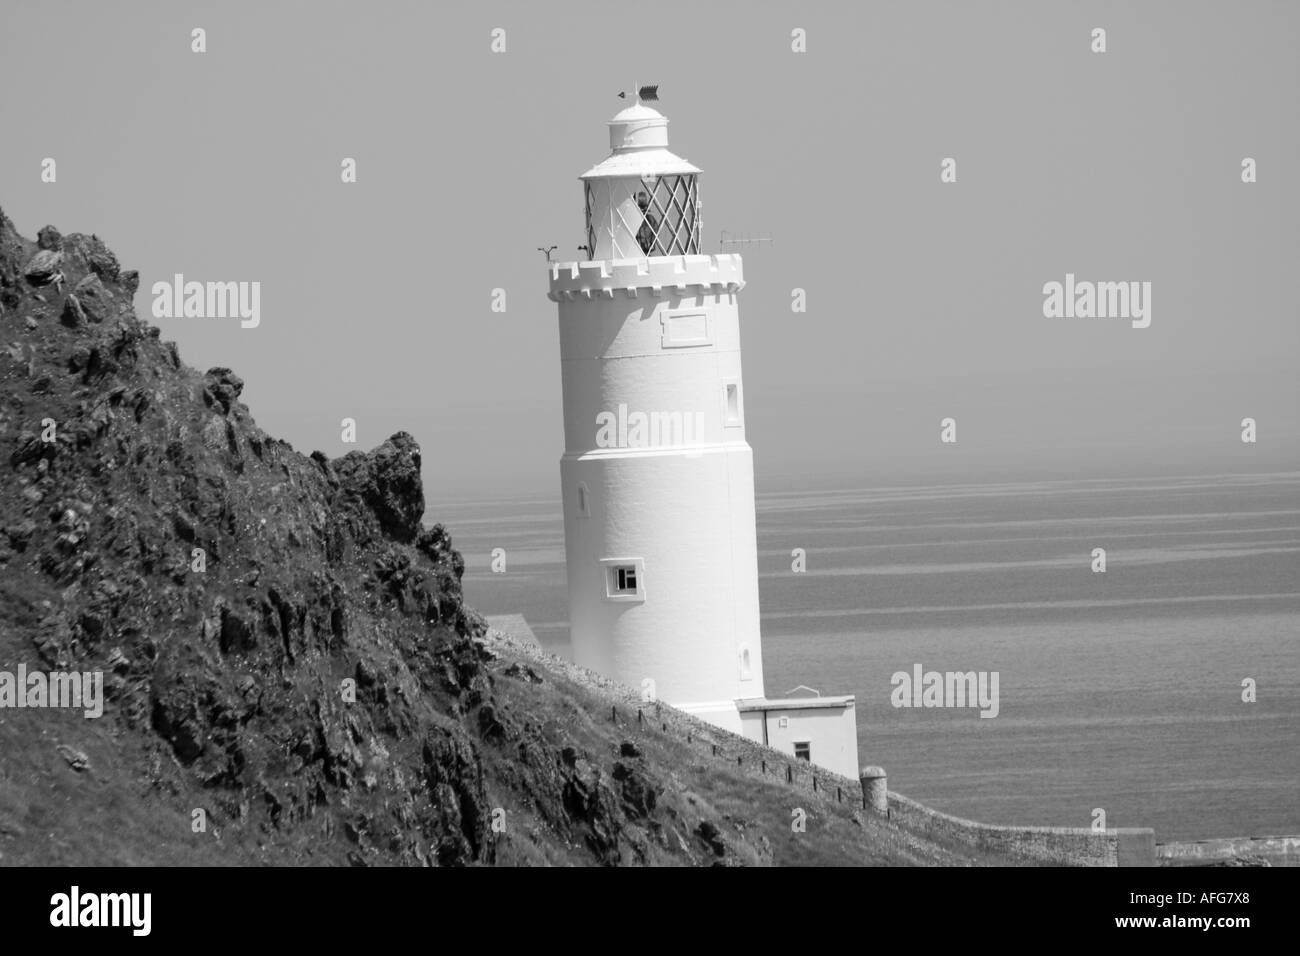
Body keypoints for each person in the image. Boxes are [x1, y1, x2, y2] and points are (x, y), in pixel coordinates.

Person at [635, 190, 659, 255]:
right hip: (642, 248)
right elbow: (656, 230)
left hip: (644, 247)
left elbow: (656, 231)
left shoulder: (650, 219)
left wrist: (651, 242)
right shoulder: (650, 219)